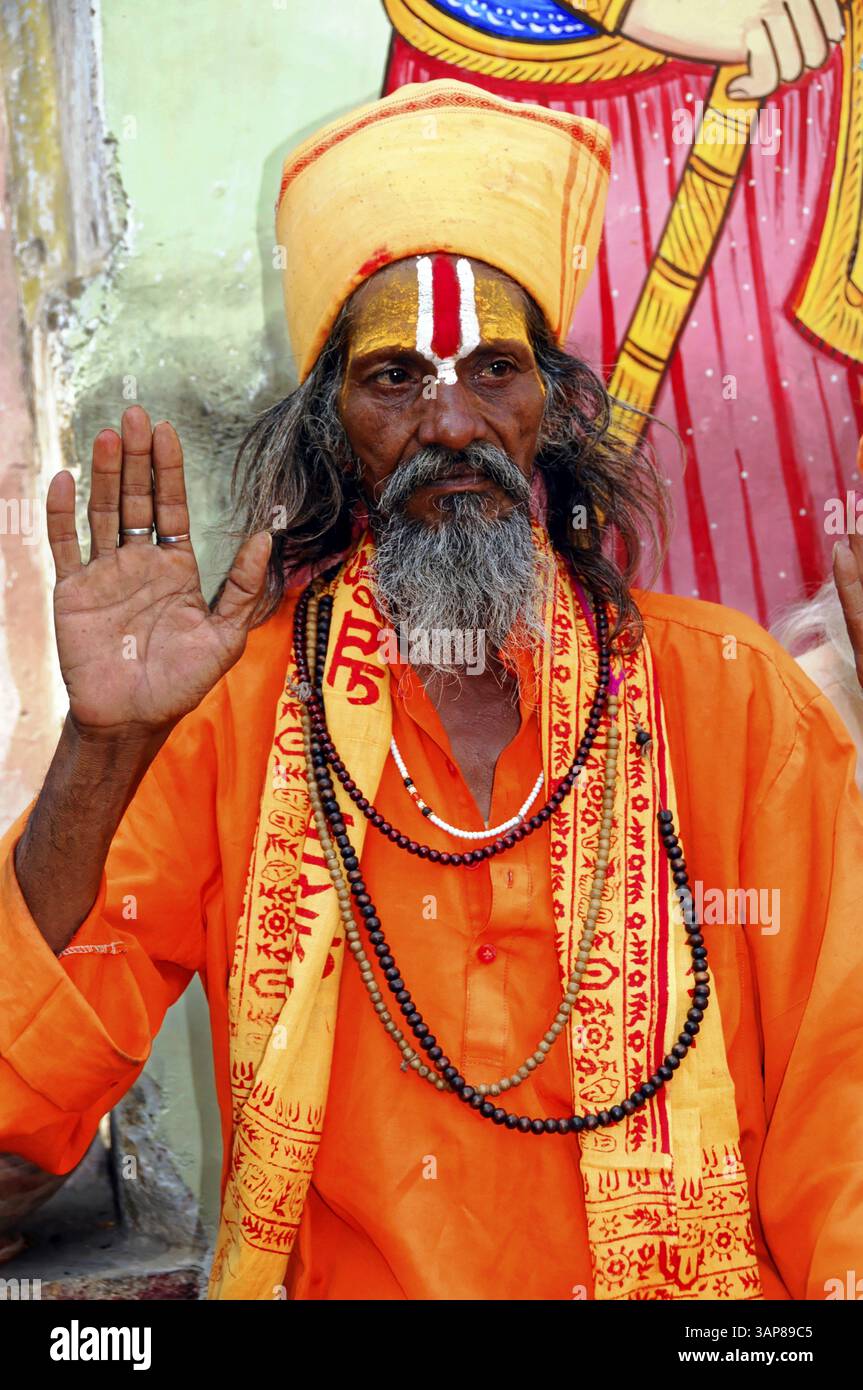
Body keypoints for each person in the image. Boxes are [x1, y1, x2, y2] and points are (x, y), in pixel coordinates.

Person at [1, 79, 861, 1302]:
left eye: (494, 369)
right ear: (329, 429)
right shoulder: (236, 718)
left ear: (553, 410)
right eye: (395, 377)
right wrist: (101, 748)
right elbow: (12, 1129)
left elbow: (848, 1138)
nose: (451, 420)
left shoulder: (736, 706)